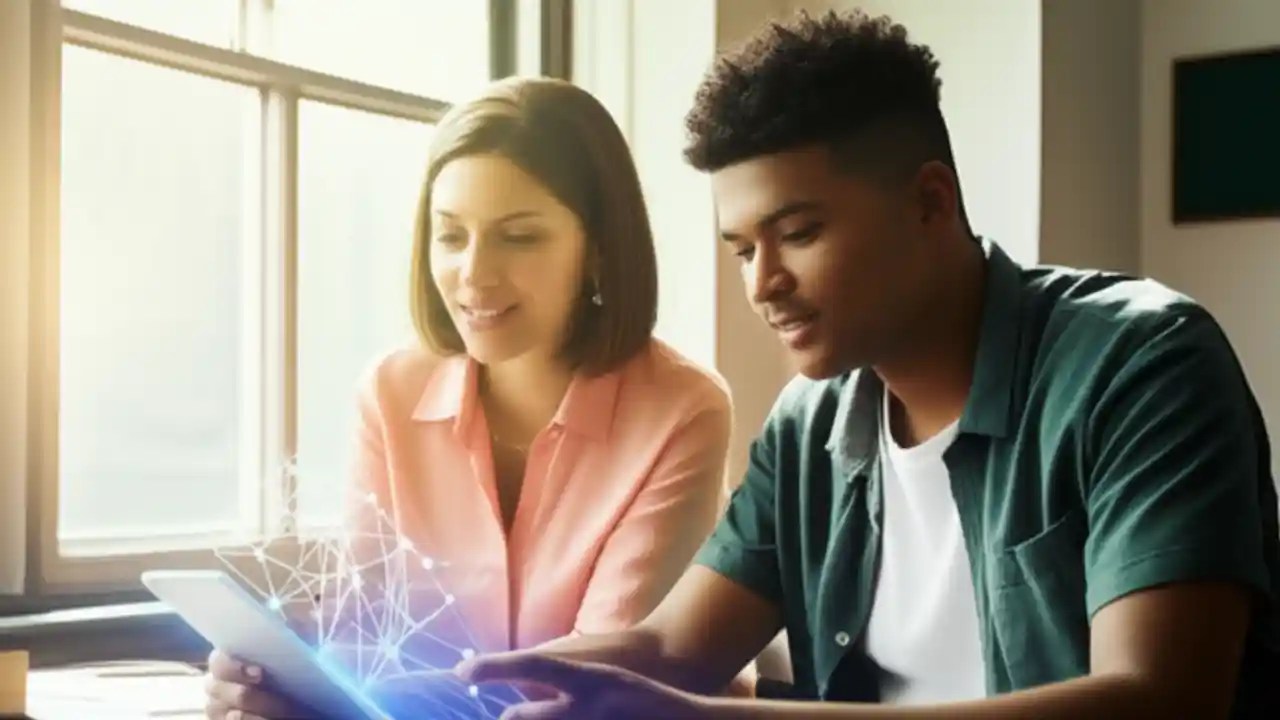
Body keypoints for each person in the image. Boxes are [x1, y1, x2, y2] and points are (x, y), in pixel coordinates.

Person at [458, 10, 1280, 719]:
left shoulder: (1143, 364)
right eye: (743, 248)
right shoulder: (808, 426)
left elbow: (1161, 701)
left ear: (931, 201)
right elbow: (674, 645)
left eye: (800, 234)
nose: (763, 284)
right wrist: (453, 690)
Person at [201, 76, 735, 719]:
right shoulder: (391, 393)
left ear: (596, 250)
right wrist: (284, 679)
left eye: (519, 236)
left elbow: (595, 686)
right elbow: (368, 638)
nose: (474, 274)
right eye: (451, 235)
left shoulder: (682, 410)